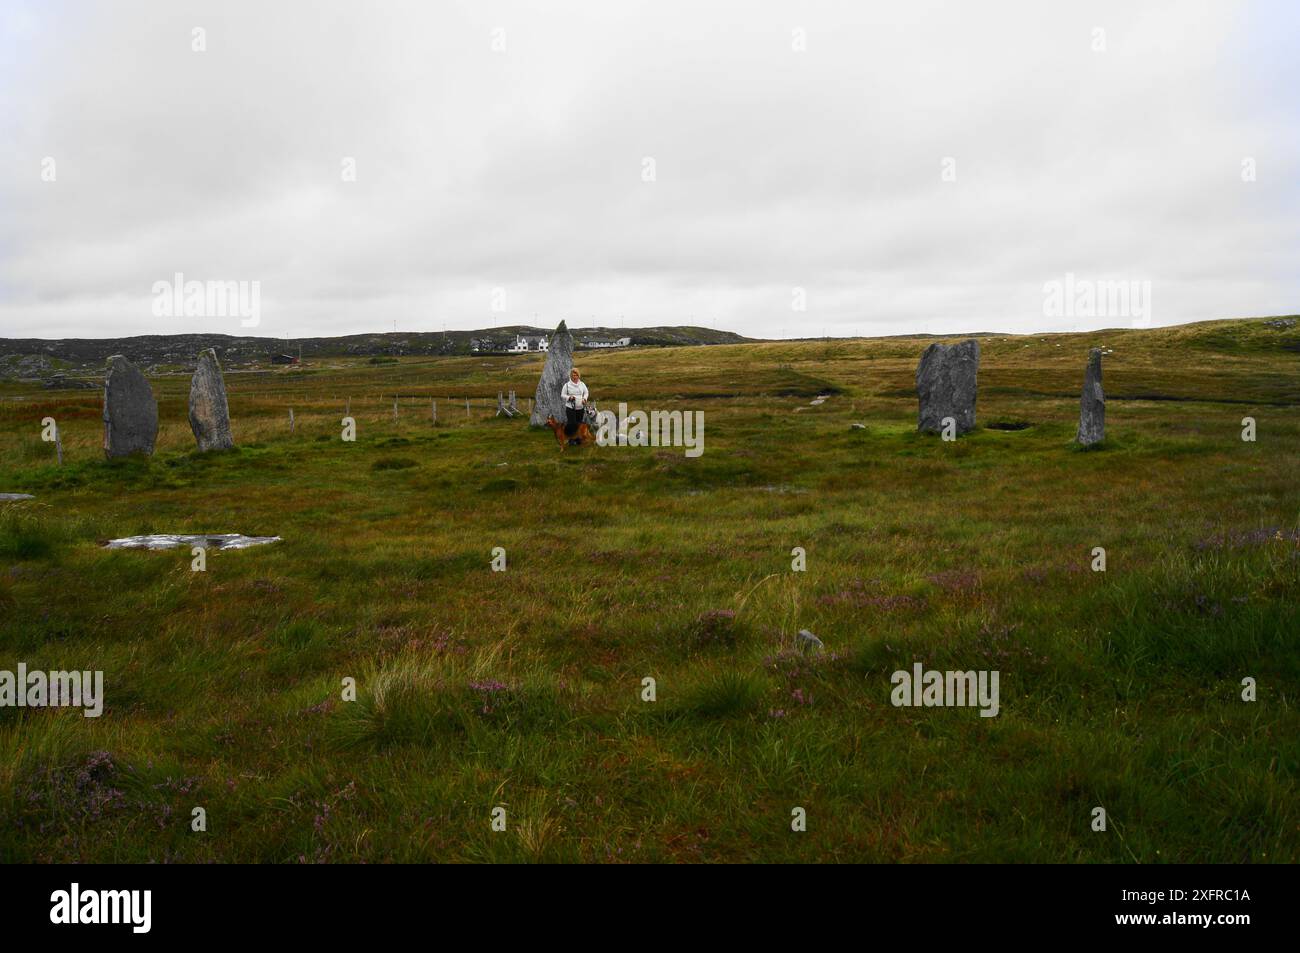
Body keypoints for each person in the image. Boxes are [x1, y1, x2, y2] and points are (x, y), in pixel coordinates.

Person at [560, 368, 589, 444]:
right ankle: (571, 440)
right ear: (571, 376)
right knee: (572, 424)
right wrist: (569, 397)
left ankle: (578, 439)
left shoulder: (582, 384)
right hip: (570, 408)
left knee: (579, 424)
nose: (574, 376)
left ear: (578, 375)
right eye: (573, 375)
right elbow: (562, 395)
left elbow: (586, 392)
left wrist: (584, 399)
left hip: (580, 407)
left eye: (576, 375)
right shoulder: (567, 385)